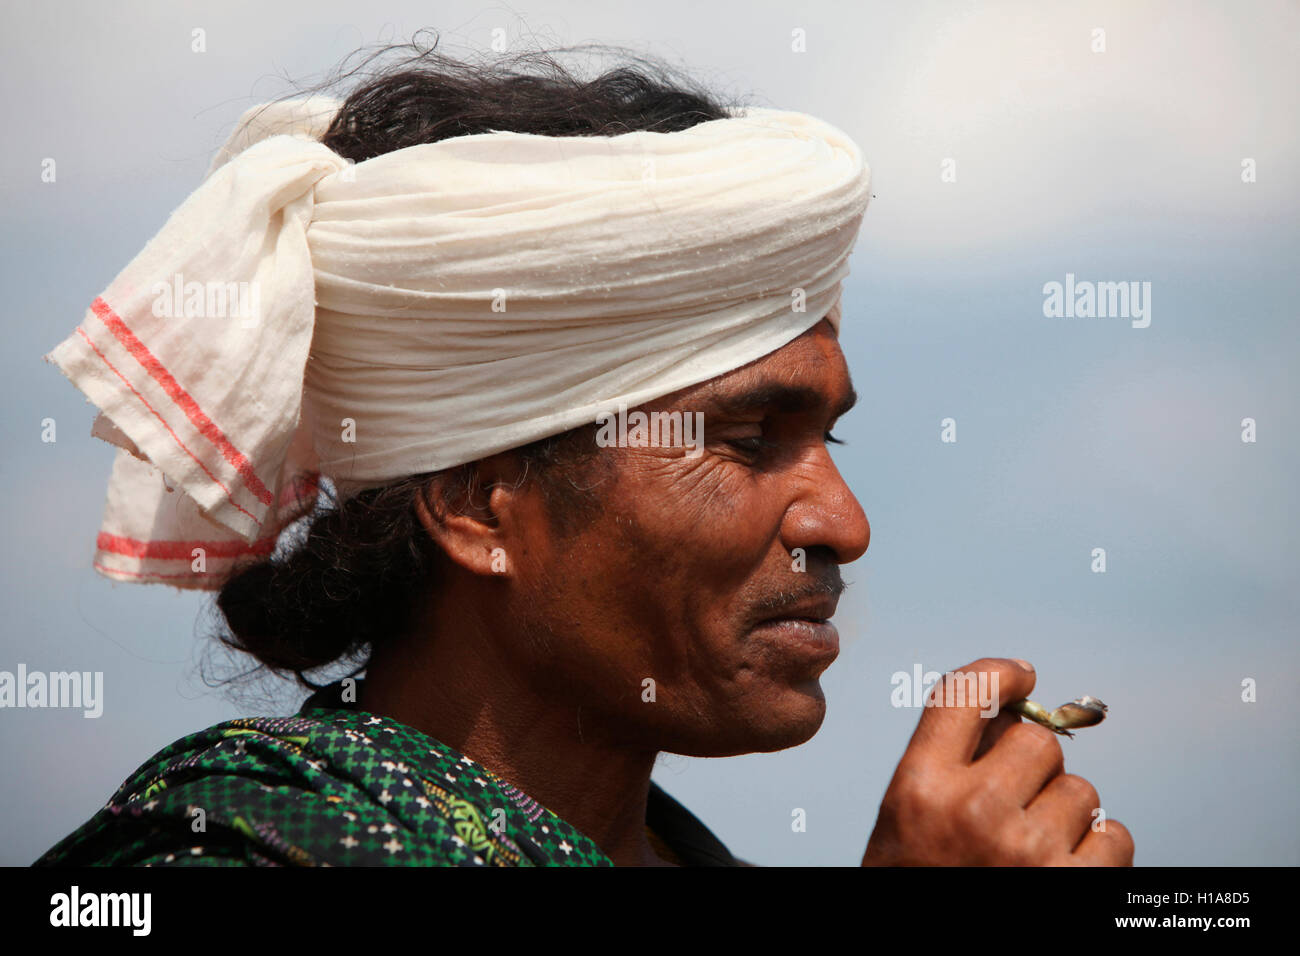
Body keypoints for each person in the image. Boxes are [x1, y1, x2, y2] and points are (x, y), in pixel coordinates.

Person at [35, 43, 1133, 867]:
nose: (839, 522)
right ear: (480, 504)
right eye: (747, 442)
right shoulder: (233, 849)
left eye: (826, 437)